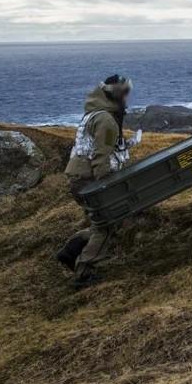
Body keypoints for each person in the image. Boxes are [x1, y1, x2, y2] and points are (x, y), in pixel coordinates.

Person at [55, 74, 134, 289]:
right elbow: (101, 156)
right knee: (106, 226)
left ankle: (70, 252)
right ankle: (84, 272)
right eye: (126, 93)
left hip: (78, 177)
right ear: (118, 94)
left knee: (100, 222)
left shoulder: (93, 114)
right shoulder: (107, 120)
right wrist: (105, 185)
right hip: (89, 180)